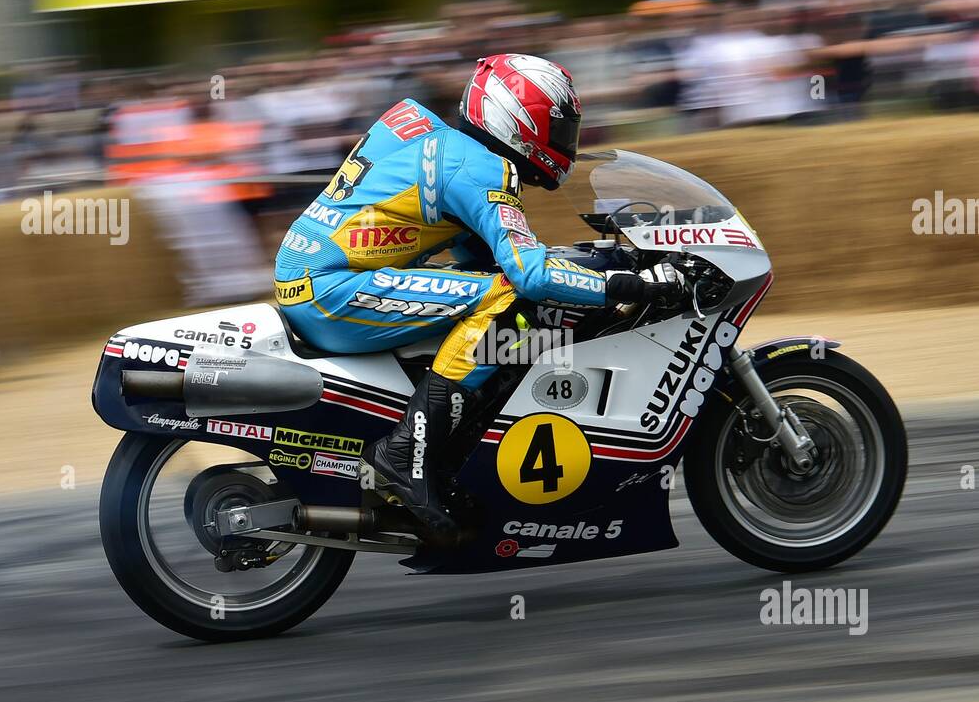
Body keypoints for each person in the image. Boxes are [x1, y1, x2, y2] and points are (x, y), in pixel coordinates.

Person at [274, 53, 683, 535]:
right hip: (332, 290)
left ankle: (458, 435)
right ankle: (403, 452)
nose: (565, 143)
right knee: (504, 297)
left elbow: (479, 254)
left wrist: (579, 267)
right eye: (557, 129)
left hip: (316, 277)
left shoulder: (434, 137)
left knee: (502, 299)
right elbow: (527, 276)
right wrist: (631, 284)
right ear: (518, 119)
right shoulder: (481, 169)